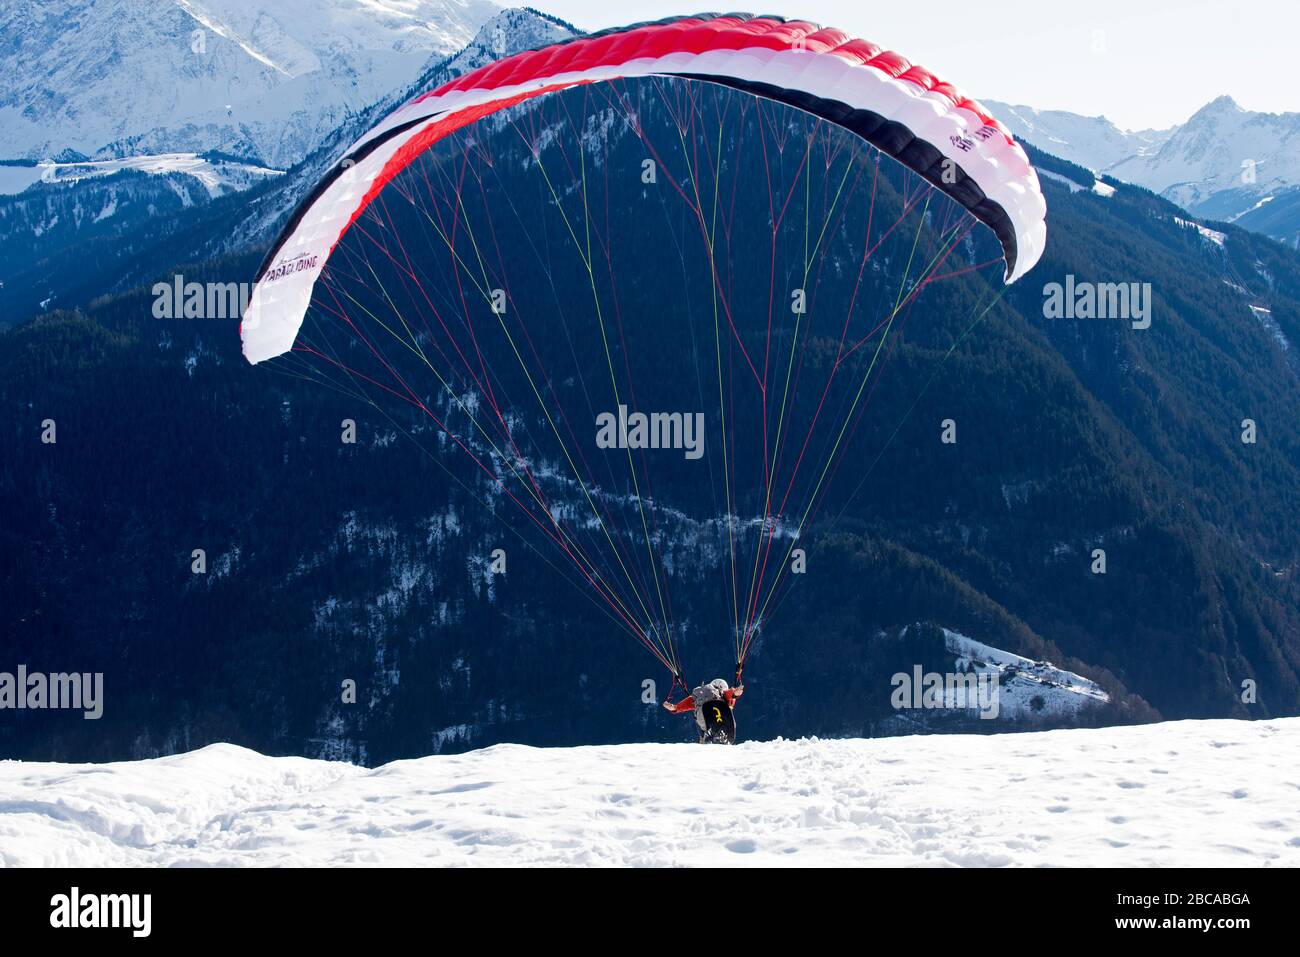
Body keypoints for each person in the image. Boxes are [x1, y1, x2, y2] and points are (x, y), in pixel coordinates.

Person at [663, 677, 744, 744]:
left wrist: (674, 708)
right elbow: (730, 694)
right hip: (719, 720)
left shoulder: (699, 695)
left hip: (703, 718)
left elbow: (685, 704)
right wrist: (736, 693)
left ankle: (708, 738)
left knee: (704, 735)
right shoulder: (722, 694)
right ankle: (719, 736)